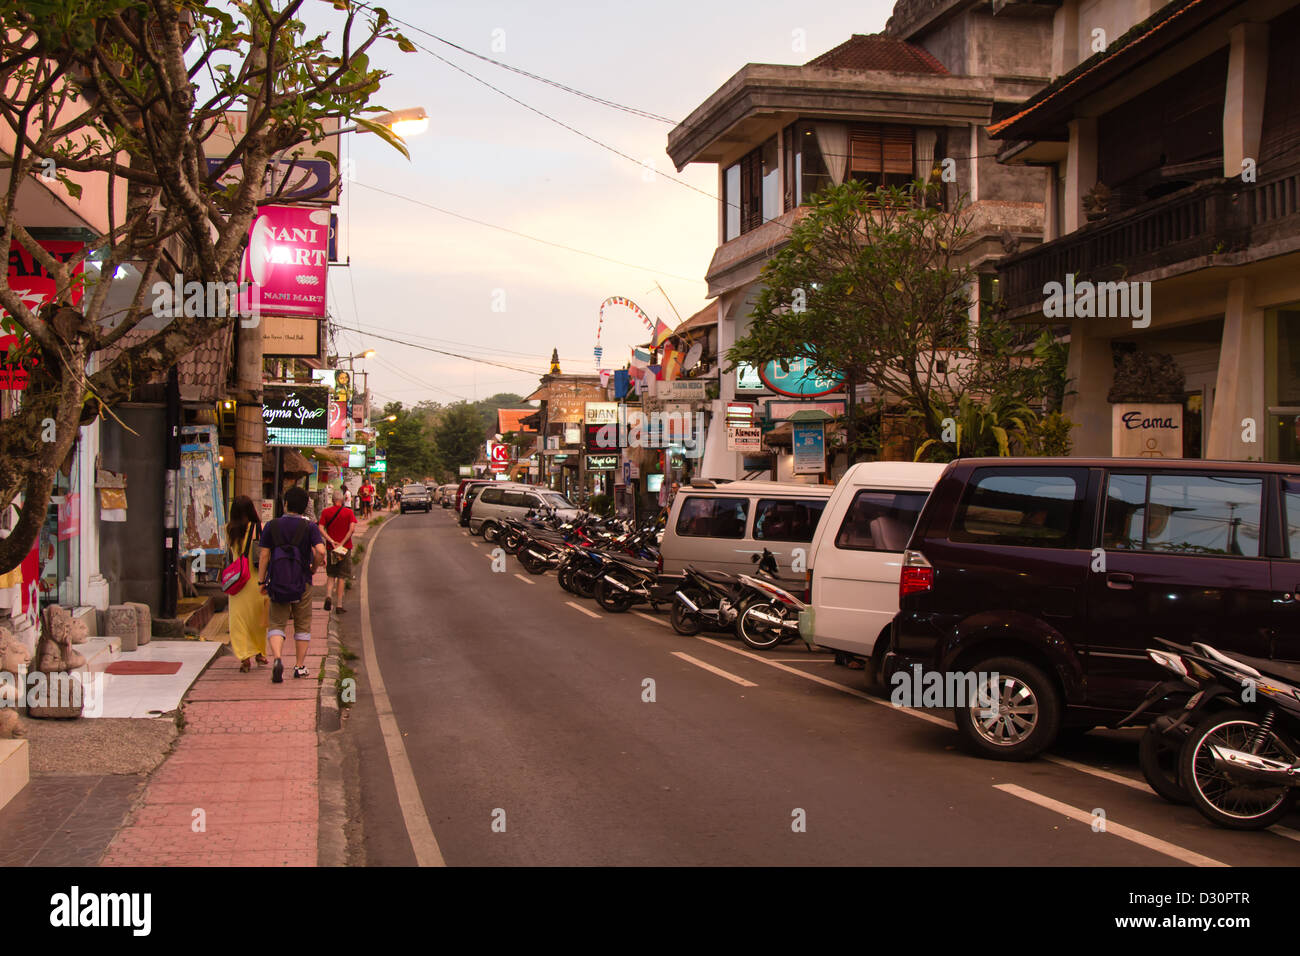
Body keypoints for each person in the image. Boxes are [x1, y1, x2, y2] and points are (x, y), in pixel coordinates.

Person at [258, 485, 326, 683]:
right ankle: (299, 666)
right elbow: (321, 551)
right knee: (302, 624)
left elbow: (264, 555)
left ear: (285, 503)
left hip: (277, 581)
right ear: (305, 507)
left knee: (277, 623)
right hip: (302, 581)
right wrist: (313, 569)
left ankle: (278, 658)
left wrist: (262, 581)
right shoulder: (309, 527)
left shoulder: (272, 525)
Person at [225, 495, 267, 673]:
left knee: (239, 620)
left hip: (238, 581)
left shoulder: (229, 530)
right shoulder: (260, 528)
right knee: (258, 620)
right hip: (256, 579)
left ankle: (244, 657)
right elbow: (266, 553)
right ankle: (260, 653)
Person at [319, 487, 356, 614]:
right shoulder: (349, 512)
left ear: (333, 500)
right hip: (344, 549)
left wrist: (331, 541)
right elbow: (351, 529)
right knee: (341, 577)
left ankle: (328, 596)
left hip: (331, 548)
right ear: (343, 499)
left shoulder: (326, 512)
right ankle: (339, 605)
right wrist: (342, 543)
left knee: (331, 574)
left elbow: (320, 528)